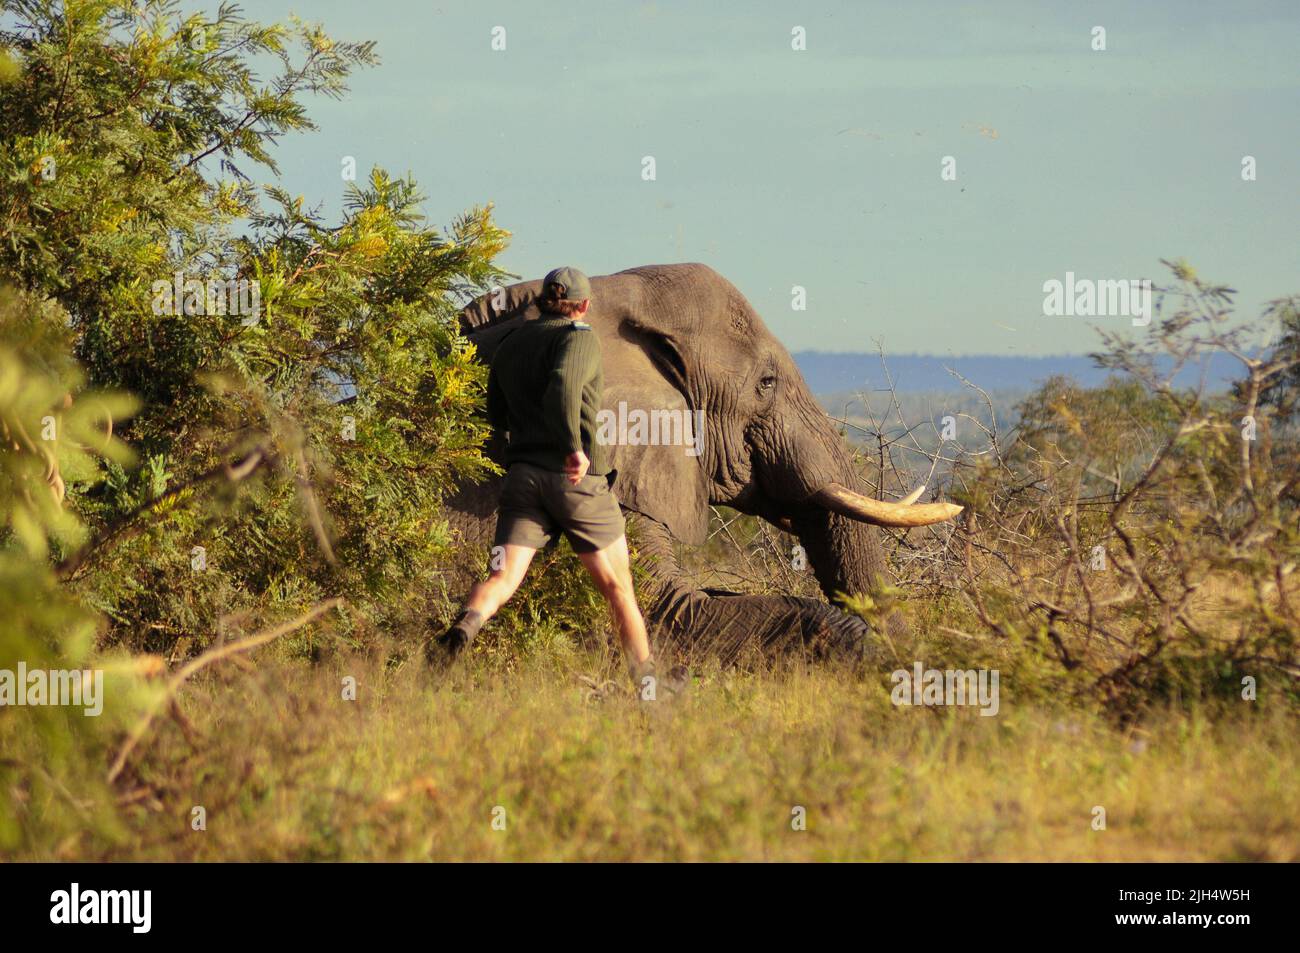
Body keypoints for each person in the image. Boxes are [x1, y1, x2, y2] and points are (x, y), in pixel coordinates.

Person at [431, 267, 654, 685]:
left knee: (502, 578)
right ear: (584, 305)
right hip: (575, 482)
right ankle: (649, 687)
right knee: (618, 587)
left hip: (523, 478)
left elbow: (495, 410)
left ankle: (462, 631)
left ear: (543, 300)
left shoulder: (513, 343)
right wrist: (573, 448)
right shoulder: (579, 338)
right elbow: (564, 384)